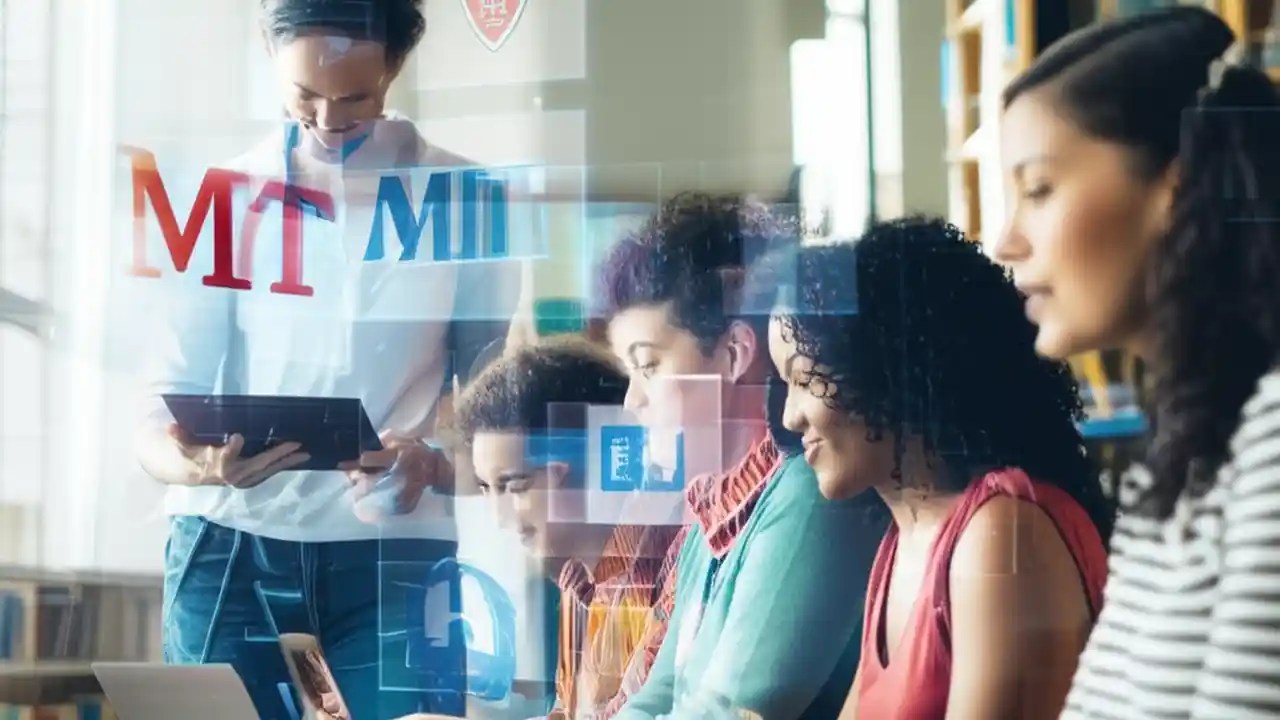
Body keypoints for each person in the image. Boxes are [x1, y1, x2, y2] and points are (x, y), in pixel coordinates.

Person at [134, 2, 534, 718]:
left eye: (357, 99)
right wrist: (203, 464)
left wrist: (436, 466)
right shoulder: (221, 198)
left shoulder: (468, 200)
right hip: (230, 541)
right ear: (268, 48)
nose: (326, 121)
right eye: (303, 97)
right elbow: (158, 420)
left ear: (395, 69)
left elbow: (493, 417)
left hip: (393, 552)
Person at [996, 6, 1280, 717]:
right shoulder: (1183, 442)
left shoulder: (1271, 435)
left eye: (1037, 191)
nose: (1005, 240)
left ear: (1174, 189)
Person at [759, 218, 1113, 718]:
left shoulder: (1001, 534)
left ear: (882, 369)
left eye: (803, 379)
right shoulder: (900, 545)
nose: (790, 418)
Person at [600, 193, 886, 719]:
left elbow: (723, 712)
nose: (633, 402)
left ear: (734, 353)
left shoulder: (811, 495)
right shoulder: (710, 516)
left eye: (648, 366)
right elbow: (656, 699)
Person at [453, 336, 684, 718]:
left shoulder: (661, 573)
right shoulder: (577, 579)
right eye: (487, 488)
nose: (501, 518)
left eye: (515, 486)